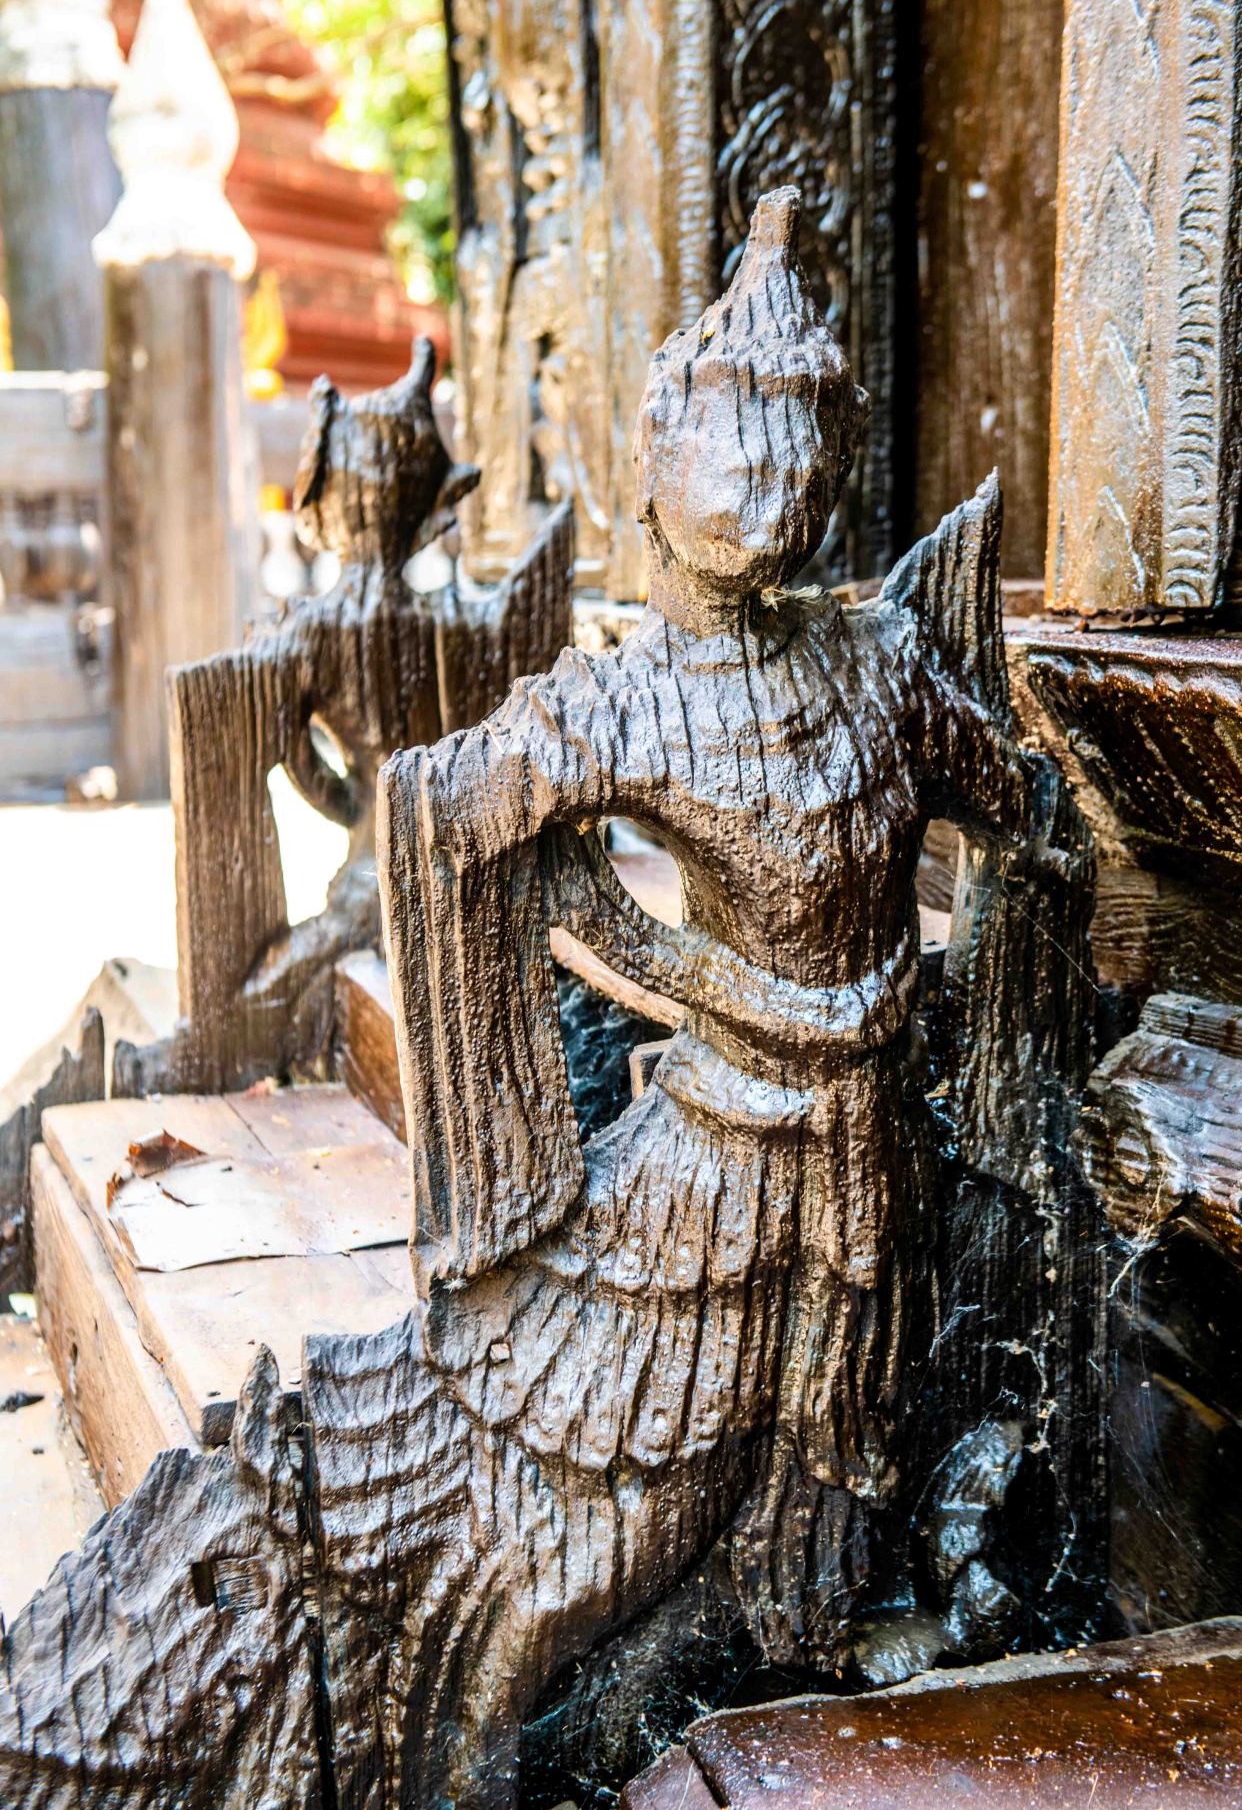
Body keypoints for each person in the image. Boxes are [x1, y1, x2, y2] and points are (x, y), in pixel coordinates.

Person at [304, 185, 1034, 1807]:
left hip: (868, 1127)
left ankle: (814, 1612)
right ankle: (491, 1718)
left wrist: (960, 983)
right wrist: (678, 973)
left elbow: (1014, 814)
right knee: (644, 1459)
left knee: (837, 1412)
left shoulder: (878, 665)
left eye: (797, 437)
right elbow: (461, 820)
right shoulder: (624, 699)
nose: (766, 477)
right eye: (729, 434)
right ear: (654, 459)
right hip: (719, 1136)